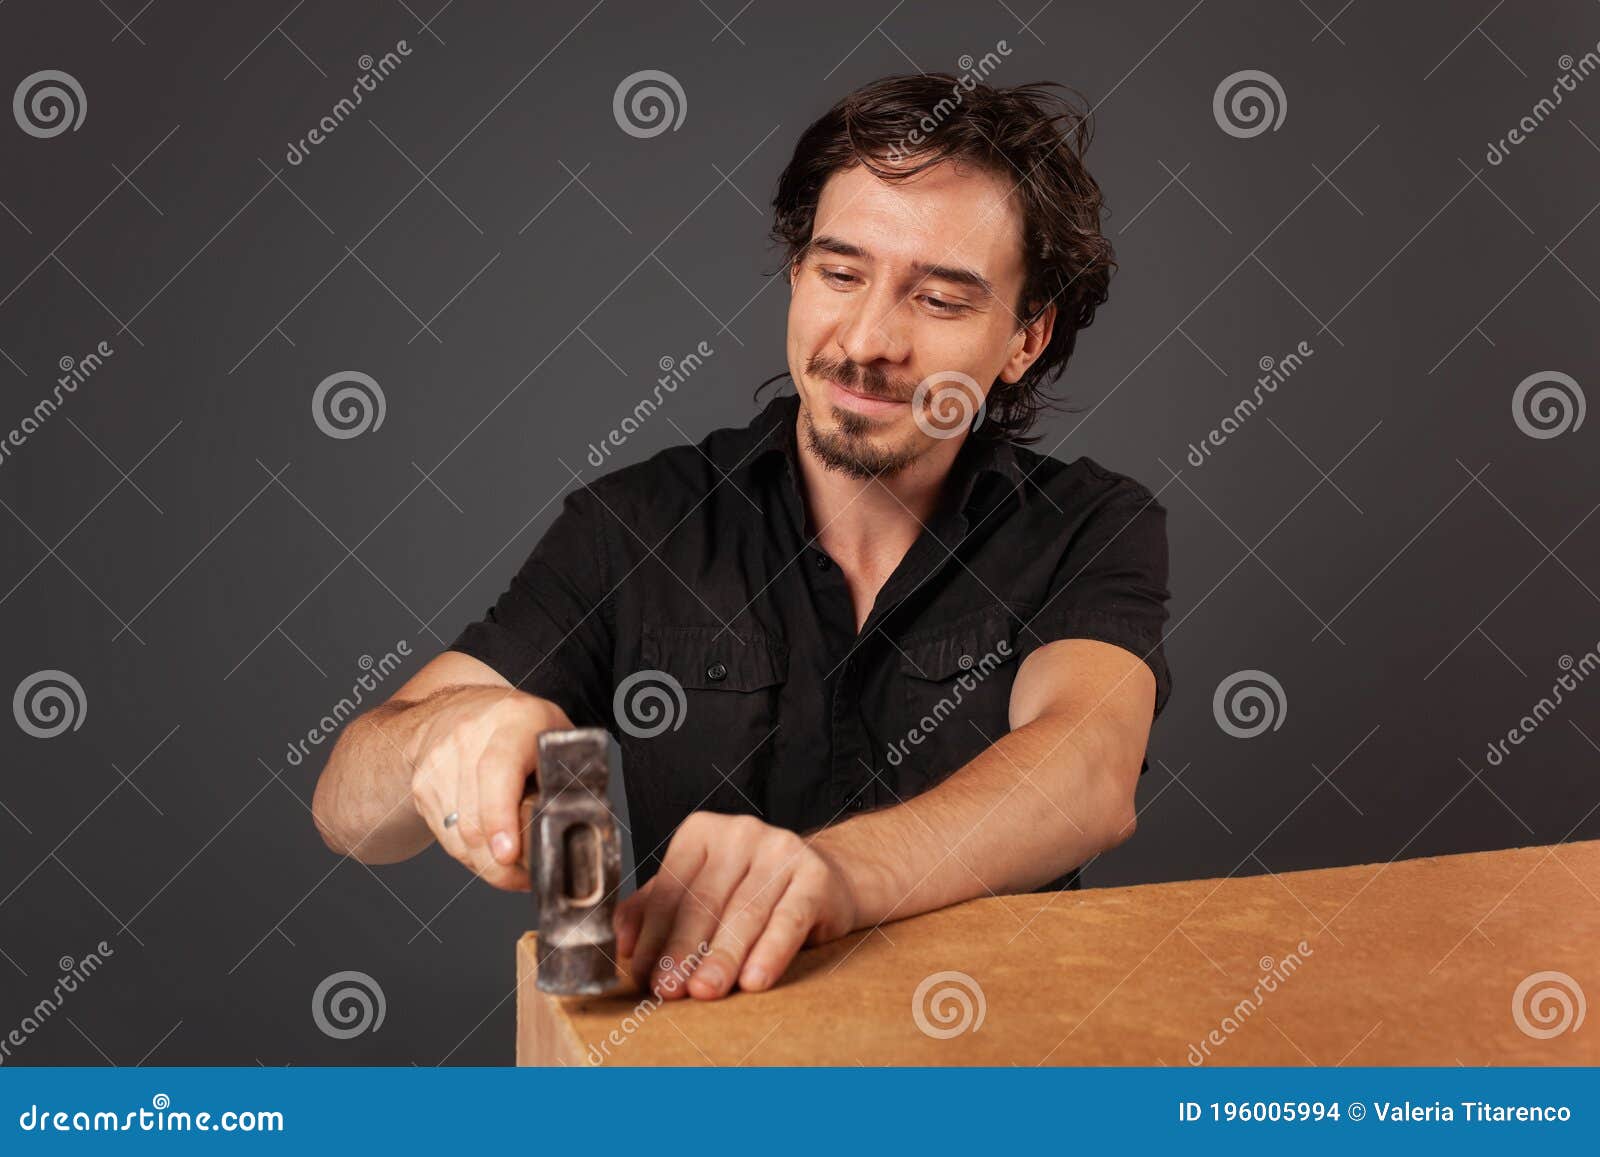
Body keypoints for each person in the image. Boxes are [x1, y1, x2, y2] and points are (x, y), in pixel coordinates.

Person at [311, 73, 1172, 1002]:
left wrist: (833, 876)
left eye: (941, 300)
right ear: (798, 273)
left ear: (1024, 339)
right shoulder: (634, 524)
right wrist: (447, 735)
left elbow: (1088, 767)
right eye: (841, 273)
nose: (870, 339)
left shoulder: (1090, 523)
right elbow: (348, 811)